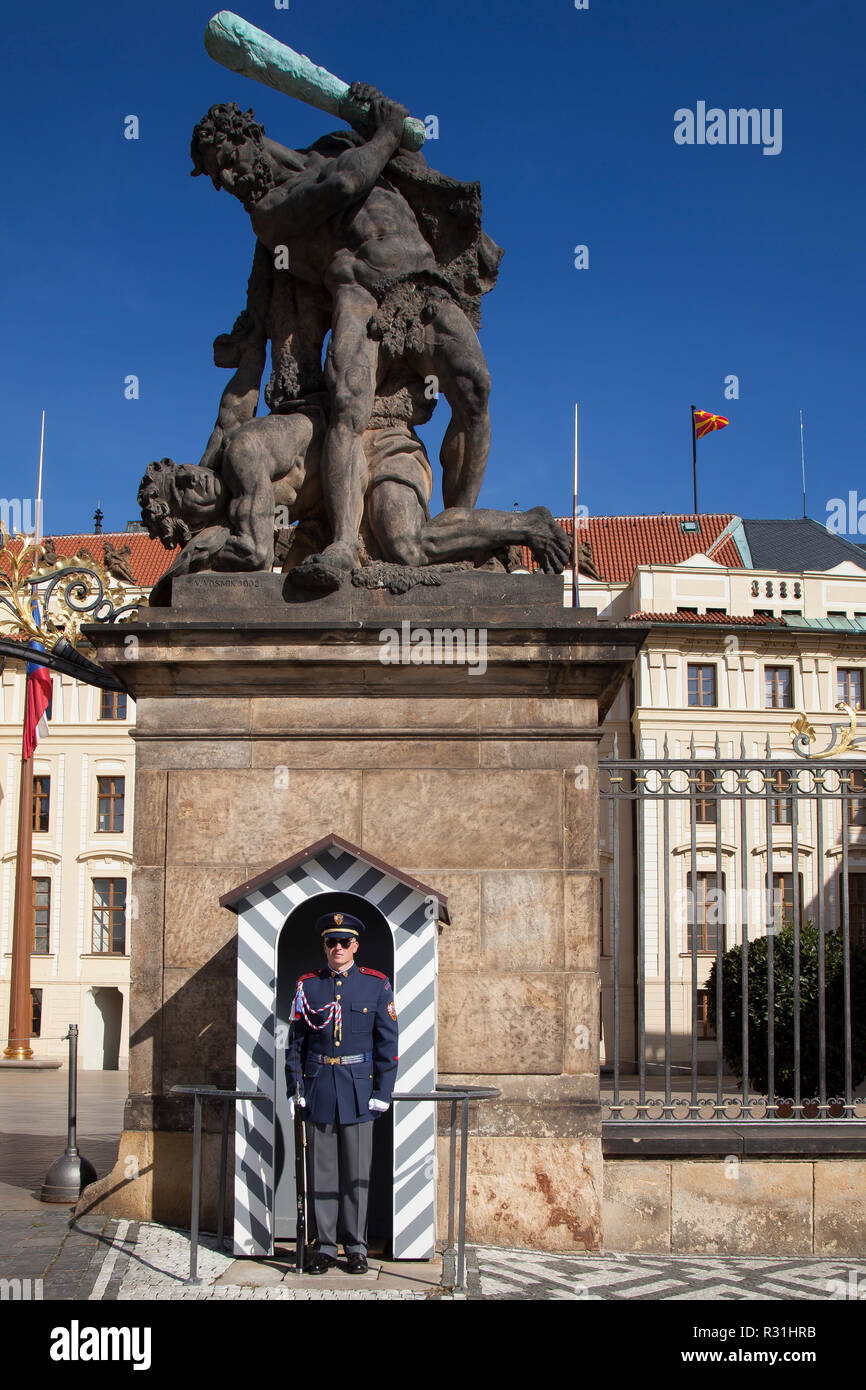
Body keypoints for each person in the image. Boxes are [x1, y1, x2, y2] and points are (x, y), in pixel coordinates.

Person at [189, 90, 500, 588]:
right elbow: (347, 180)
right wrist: (386, 133)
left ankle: (459, 523)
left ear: (252, 139)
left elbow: (408, 164)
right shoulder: (269, 213)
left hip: (423, 288)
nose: (228, 180)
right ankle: (342, 543)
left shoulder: (335, 144)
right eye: (216, 178)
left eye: (227, 162)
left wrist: (377, 109)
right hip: (360, 297)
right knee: (349, 408)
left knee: (475, 393)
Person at [286, 911, 399, 1274]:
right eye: (331, 942)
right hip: (320, 1086)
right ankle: (325, 1246)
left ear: (356, 945)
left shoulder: (375, 984)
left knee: (356, 1173)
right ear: (324, 945)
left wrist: (384, 1089)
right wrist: (295, 1086)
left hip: (358, 1090)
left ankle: (356, 1246)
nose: (338, 947)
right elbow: (296, 1043)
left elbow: (387, 1043)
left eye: (344, 942)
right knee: (323, 1172)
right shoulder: (308, 986)